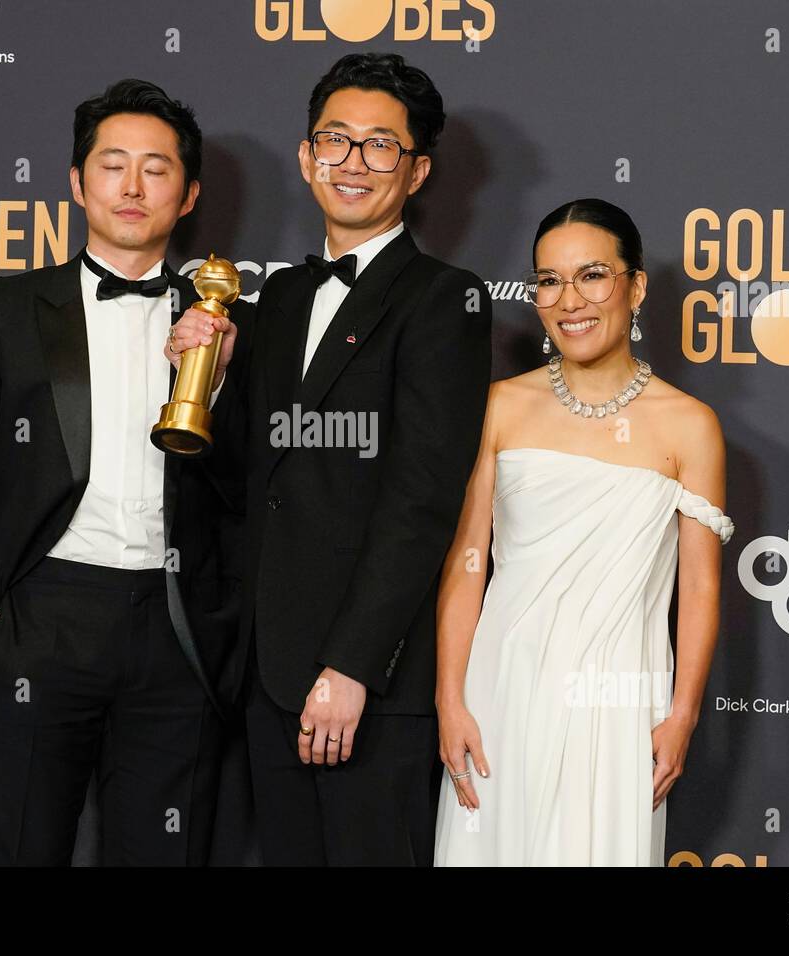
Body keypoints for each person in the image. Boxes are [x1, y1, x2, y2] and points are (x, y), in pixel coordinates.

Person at [0, 78, 252, 866]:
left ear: (191, 191)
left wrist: (221, 379)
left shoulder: (234, 326)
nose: (132, 187)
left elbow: (251, 495)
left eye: (157, 169)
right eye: (112, 164)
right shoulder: (3, 311)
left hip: (177, 633)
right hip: (43, 623)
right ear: (76, 181)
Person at [167, 52, 492, 865]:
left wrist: (352, 667)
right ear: (308, 156)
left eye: (380, 147)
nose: (354, 163)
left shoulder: (443, 301)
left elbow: (423, 500)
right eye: (335, 141)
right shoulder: (276, 299)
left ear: (417, 172)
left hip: (369, 686)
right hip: (269, 671)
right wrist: (197, 386)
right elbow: (250, 477)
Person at [432, 198, 733, 866]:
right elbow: (466, 564)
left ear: (636, 286)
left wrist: (681, 715)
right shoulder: (503, 406)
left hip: (620, 706)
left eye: (592, 276)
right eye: (548, 280)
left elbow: (701, 587)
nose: (570, 300)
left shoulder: (689, 426)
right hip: (502, 693)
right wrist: (450, 700)